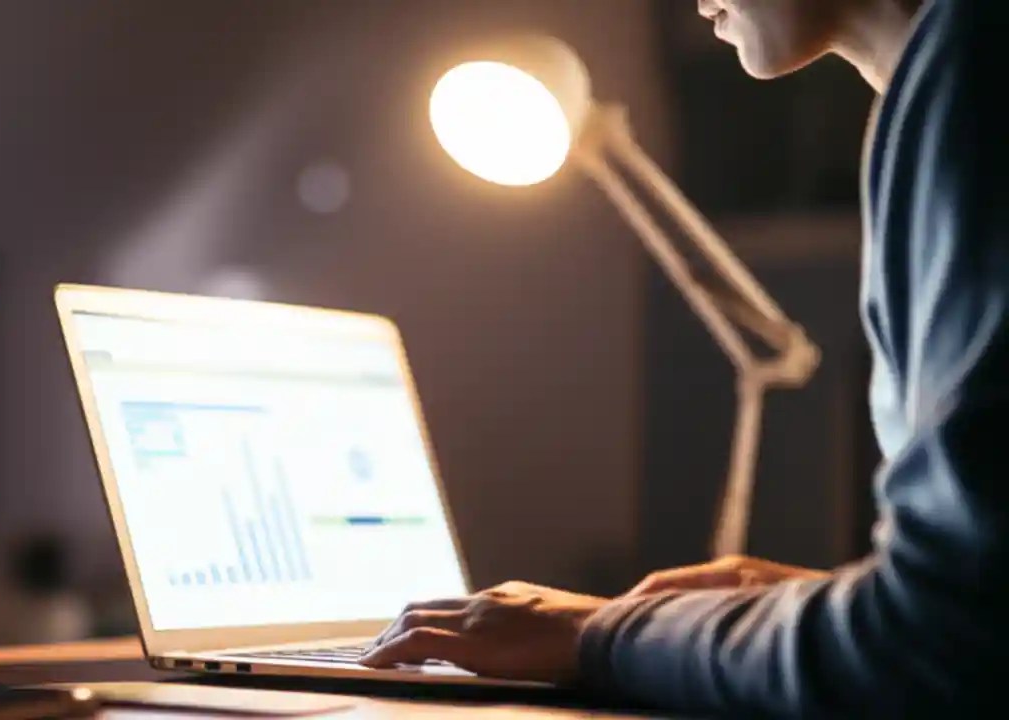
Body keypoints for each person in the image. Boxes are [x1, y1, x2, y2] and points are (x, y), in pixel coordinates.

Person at [362, 0, 1009, 714]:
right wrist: (804, 609)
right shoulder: (942, 82)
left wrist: (603, 633)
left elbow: (947, 643)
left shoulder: (976, 70)